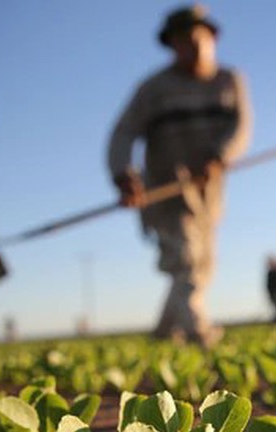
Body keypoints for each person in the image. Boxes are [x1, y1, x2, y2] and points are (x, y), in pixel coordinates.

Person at [107, 4, 253, 348]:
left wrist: (220, 156)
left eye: (198, 39)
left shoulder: (229, 81)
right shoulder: (153, 89)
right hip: (165, 190)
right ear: (172, 45)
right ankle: (197, 333)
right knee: (185, 258)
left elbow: (241, 127)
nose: (193, 47)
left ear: (212, 39)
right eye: (184, 41)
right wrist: (123, 174)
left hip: (209, 192)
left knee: (201, 264)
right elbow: (123, 133)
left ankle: (163, 333)